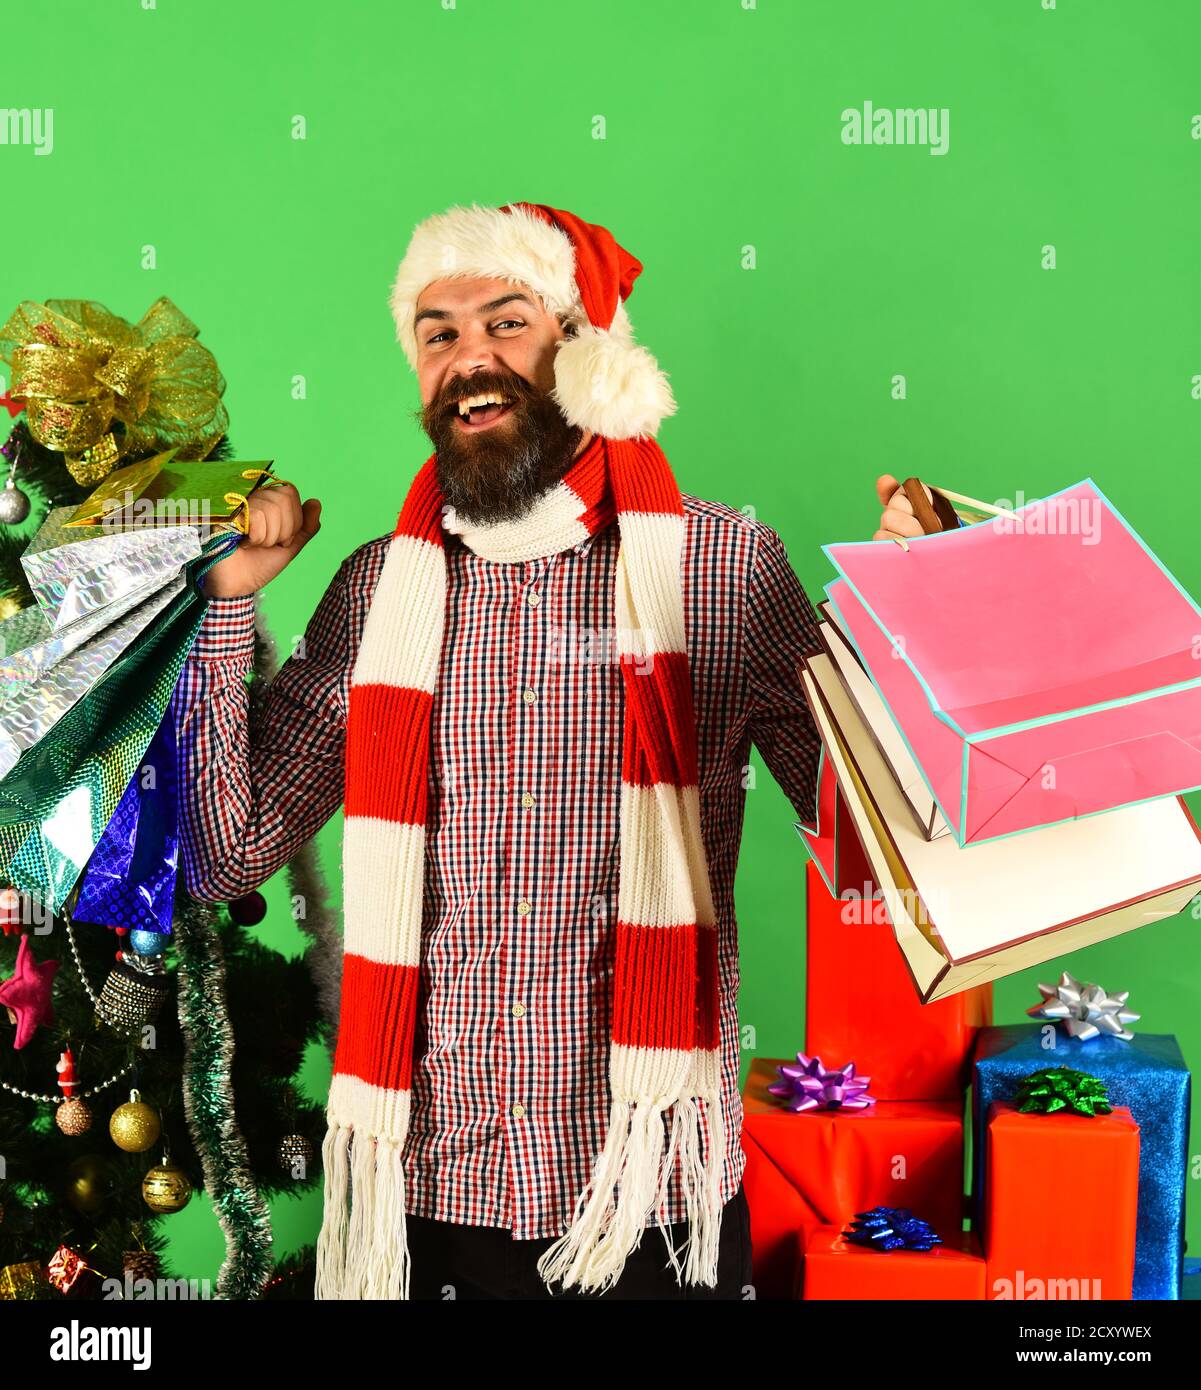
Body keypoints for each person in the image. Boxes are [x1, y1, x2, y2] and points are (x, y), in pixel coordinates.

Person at [171, 200, 937, 1301]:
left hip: (650, 1190)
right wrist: (227, 608)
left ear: (582, 353)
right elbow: (230, 852)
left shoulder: (721, 565)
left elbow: (869, 827)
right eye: (437, 332)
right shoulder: (378, 588)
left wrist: (903, 625)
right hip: (428, 1199)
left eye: (507, 320)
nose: (469, 357)